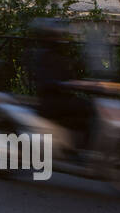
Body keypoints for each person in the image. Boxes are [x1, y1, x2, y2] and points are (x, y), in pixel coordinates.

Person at [25, 17, 91, 149]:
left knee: (88, 107)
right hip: (51, 100)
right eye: (55, 35)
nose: (59, 38)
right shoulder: (42, 56)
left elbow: (68, 75)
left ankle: (79, 144)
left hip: (60, 98)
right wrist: (65, 84)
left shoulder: (56, 55)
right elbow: (45, 80)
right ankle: (77, 147)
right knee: (85, 107)